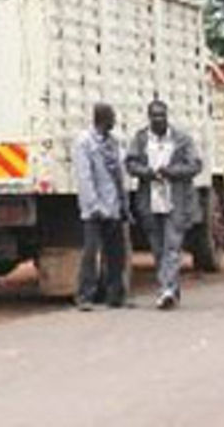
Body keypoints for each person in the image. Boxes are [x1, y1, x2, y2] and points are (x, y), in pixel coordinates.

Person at [126, 100, 202, 310]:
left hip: (175, 201)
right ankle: (171, 288)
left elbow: (195, 165)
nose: (159, 119)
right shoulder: (141, 139)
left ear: (167, 116)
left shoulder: (182, 139)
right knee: (158, 249)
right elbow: (130, 164)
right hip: (149, 202)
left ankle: (166, 289)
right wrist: (148, 173)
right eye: (155, 116)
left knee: (172, 246)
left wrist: (172, 172)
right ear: (149, 117)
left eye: (162, 115)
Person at [72, 102, 128, 310]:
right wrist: (93, 205)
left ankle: (115, 296)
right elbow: (84, 176)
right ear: (102, 118)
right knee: (91, 253)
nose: (115, 120)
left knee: (116, 253)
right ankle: (85, 296)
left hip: (113, 206)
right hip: (95, 210)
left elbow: (119, 175)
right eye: (112, 116)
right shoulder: (85, 143)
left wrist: (123, 204)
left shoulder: (113, 142)